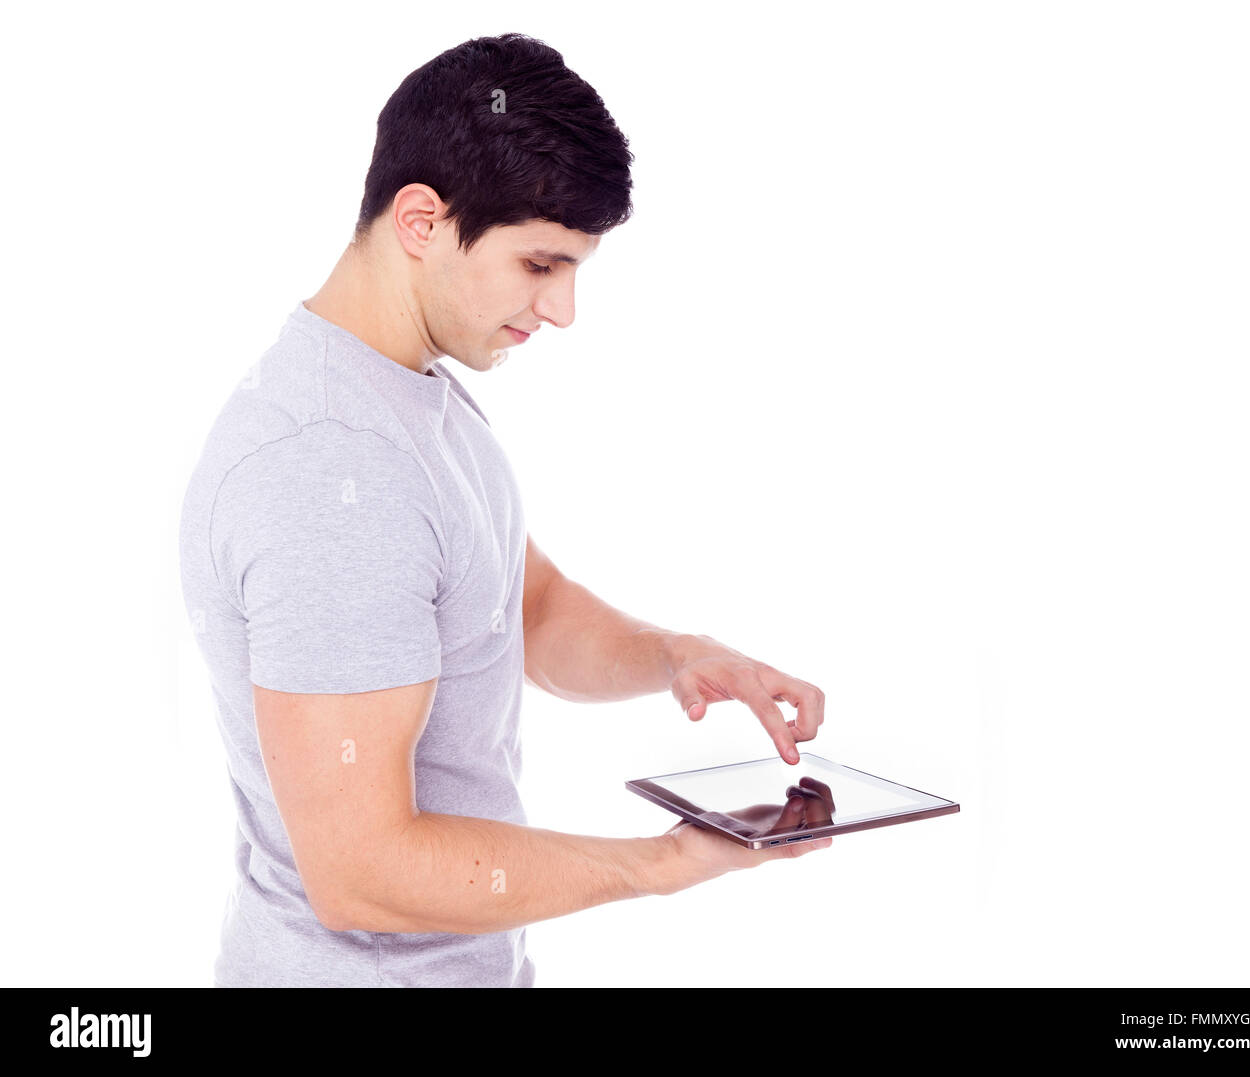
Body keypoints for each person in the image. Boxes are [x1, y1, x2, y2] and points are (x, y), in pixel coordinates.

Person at [177, 31, 830, 989]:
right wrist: (657, 865)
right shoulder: (327, 468)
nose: (563, 310)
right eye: (539, 266)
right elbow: (362, 873)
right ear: (421, 221)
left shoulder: (411, 390)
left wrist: (676, 655)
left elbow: (523, 606)